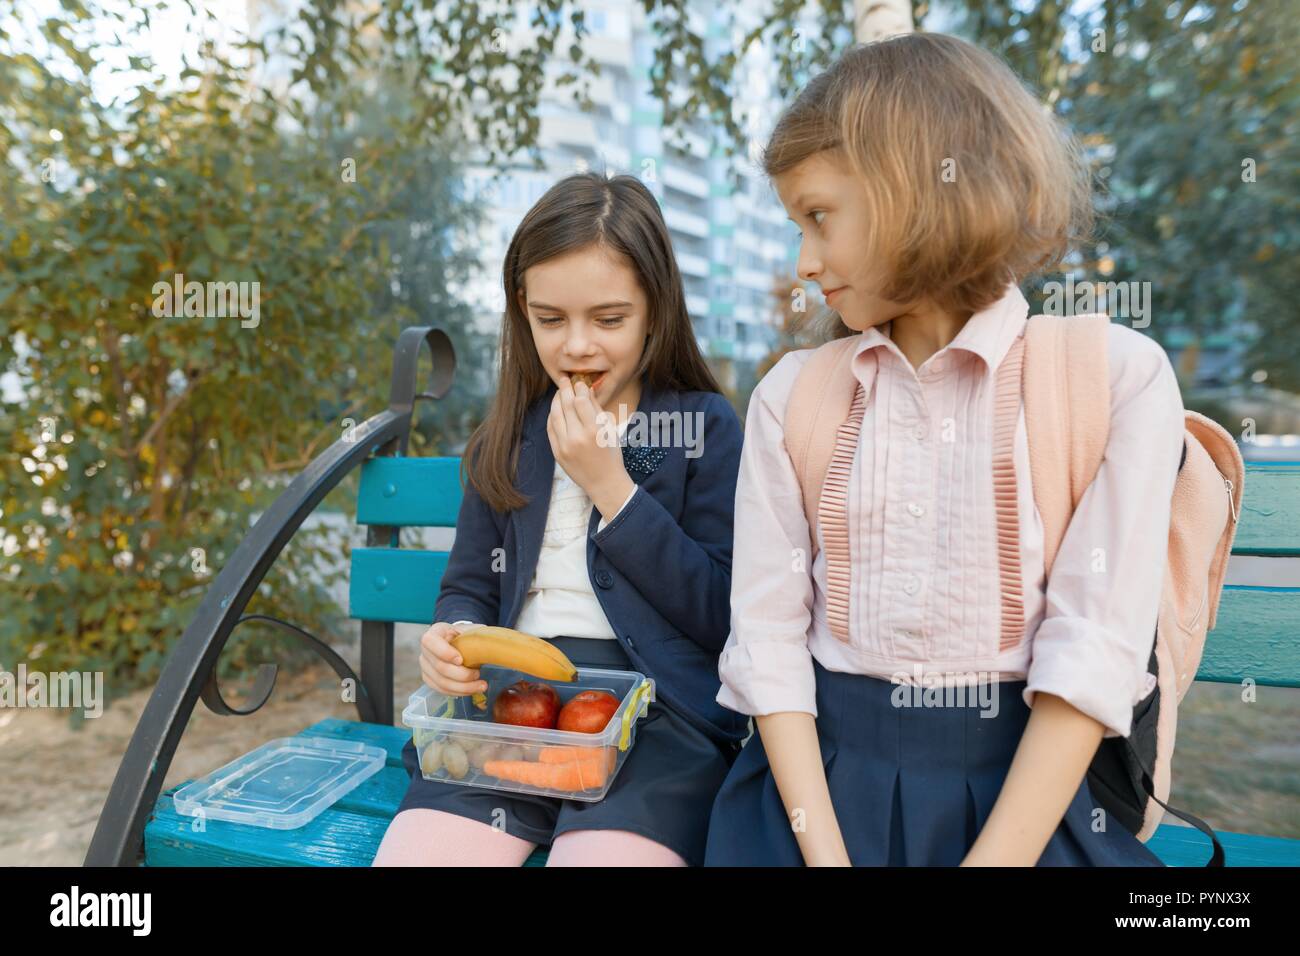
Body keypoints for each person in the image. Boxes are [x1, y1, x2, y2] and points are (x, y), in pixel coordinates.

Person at [704, 34, 1182, 866]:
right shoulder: (794, 396)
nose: (804, 263)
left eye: (818, 217)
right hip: (812, 789)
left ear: (913, 188)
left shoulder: (1114, 380)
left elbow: (1090, 654)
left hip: (1029, 805)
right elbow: (769, 644)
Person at [373, 172, 747, 867]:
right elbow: (469, 587)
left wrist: (615, 488)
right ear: (522, 311)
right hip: (511, 710)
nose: (576, 346)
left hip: (659, 726)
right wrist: (449, 634)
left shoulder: (703, 428)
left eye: (609, 320)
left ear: (655, 311)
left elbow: (722, 615)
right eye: (550, 320)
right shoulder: (511, 434)